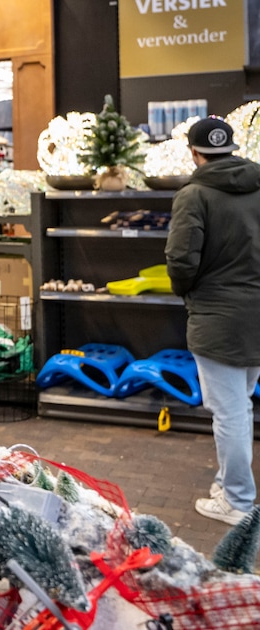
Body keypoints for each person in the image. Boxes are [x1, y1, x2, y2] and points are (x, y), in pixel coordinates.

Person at [165, 117, 260, 526]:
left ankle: (237, 501)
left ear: (194, 152)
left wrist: (186, 290)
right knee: (241, 404)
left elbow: (181, 259)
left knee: (230, 412)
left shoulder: (195, 194)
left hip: (217, 315)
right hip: (256, 312)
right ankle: (227, 481)